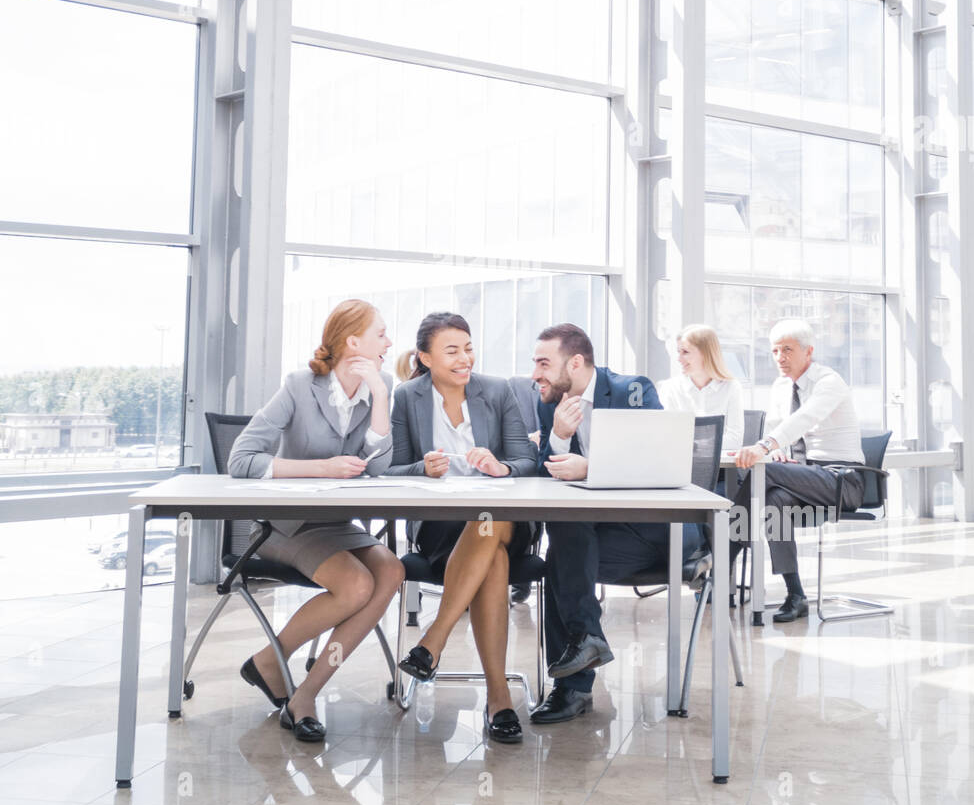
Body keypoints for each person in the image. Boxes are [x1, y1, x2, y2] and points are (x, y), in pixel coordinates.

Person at [228, 299, 405, 741]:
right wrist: (319, 467)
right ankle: (282, 674)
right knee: (357, 585)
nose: (388, 342)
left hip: (336, 524)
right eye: (380, 333)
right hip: (286, 525)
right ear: (352, 341)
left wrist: (381, 397)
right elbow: (241, 459)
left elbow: (380, 467)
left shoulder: (379, 386)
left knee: (391, 571)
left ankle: (300, 684)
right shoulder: (298, 386)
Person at [529, 322, 705, 724]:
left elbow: (659, 463)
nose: (535, 374)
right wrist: (557, 437)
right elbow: (544, 472)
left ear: (575, 362)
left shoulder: (631, 390)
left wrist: (589, 468)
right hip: (598, 537)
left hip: (655, 532)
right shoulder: (549, 402)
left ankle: (573, 684)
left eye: (543, 362)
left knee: (563, 558)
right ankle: (582, 654)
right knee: (562, 547)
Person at [389, 312, 538, 744]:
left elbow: (527, 462)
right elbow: (394, 468)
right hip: (442, 525)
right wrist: (422, 468)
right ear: (425, 357)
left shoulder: (497, 391)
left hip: (505, 516)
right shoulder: (407, 396)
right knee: (492, 560)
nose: (464, 358)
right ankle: (499, 698)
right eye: (452, 350)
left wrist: (500, 466)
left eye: (468, 347)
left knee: (490, 524)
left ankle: (433, 639)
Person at [731, 318, 865, 623]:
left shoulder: (828, 382)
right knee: (773, 502)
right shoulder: (781, 387)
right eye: (775, 351)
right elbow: (781, 429)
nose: (780, 358)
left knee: (765, 471)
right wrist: (776, 449)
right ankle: (796, 594)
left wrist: (763, 448)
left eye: (788, 350)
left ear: (809, 352)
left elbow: (804, 419)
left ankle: (723, 554)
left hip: (842, 480)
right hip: (807, 477)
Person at [659, 323, 744, 452]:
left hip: (722, 468)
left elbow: (735, 440)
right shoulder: (670, 388)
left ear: (706, 353)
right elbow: (667, 436)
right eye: (678, 352)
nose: (679, 359)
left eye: (685, 352)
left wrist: (693, 445)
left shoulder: (731, 387)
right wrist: (708, 444)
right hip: (679, 464)